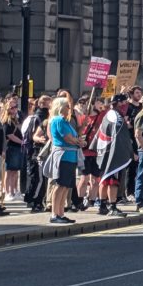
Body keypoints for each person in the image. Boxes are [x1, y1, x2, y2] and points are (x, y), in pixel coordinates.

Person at [47, 96, 83, 224]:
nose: (70, 108)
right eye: (67, 106)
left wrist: (78, 141)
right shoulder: (58, 120)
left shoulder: (66, 121)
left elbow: (74, 137)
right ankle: (54, 214)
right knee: (60, 185)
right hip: (63, 156)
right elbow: (67, 138)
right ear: (60, 107)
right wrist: (78, 141)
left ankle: (61, 213)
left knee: (66, 186)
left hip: (70, 156)